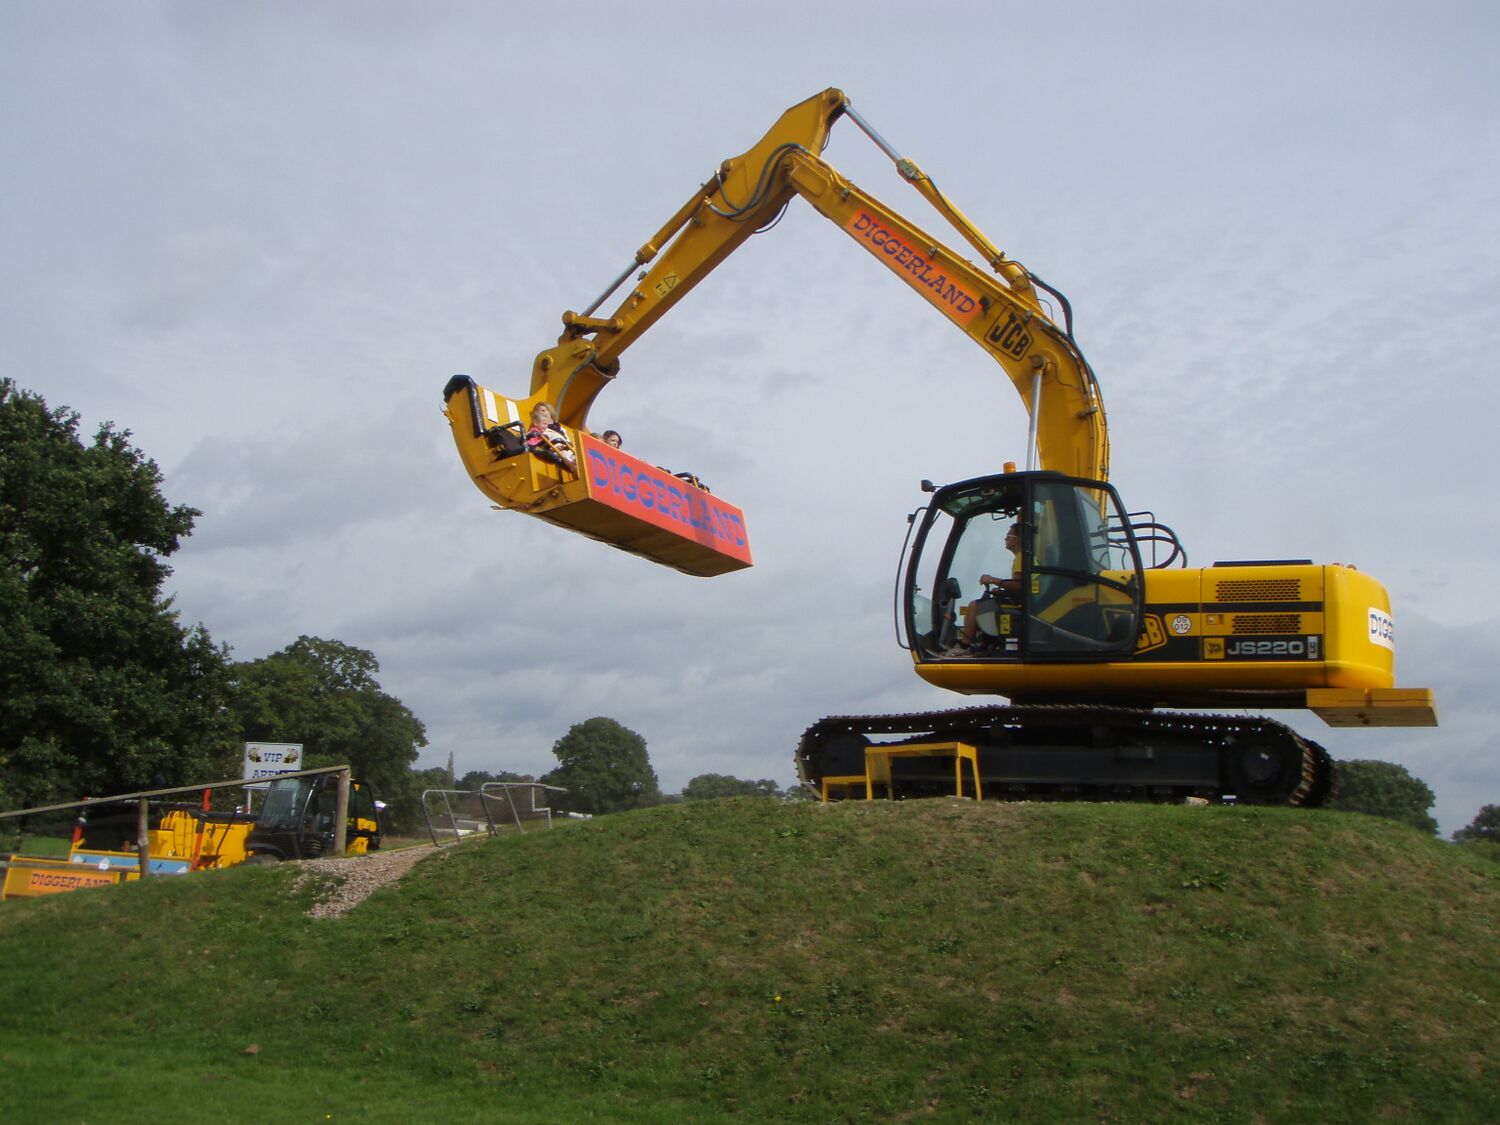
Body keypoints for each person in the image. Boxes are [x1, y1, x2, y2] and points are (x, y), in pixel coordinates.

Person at [942, 523, 1022, 657]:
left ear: (1018, 539)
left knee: (974, 606)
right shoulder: (1021, 558)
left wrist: (992, 580)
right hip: (1020, 601)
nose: (1005, 539)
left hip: (1021, 605)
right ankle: (985, 643)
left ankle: (964, 645)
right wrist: (1002, 590)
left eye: (1008, 536)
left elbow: (1020, 585)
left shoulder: (1021, 558)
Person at [525, 402, 576, 472]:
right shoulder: (539, 430)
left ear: (550, 412)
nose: (541, 413)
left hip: (569, 454)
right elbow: (538, 445)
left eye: (543, 410)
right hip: (557, 456)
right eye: (537, 412)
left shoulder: (562, 430)